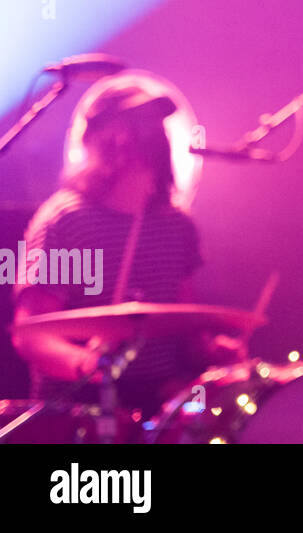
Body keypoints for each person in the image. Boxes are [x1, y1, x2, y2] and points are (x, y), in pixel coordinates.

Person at [11, 78, 242, 419]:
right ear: (98, 140)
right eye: (131, 127)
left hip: (159, 409)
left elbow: (184, 328)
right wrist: (87, 363)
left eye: (150, 129)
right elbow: (31, 336)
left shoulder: (177, 226)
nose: (141, 139)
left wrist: (211, 351)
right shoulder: (66, 220)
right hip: (81, 412)